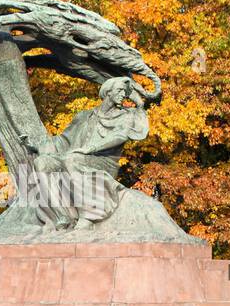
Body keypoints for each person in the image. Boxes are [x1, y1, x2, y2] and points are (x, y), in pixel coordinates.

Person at [18, 75, 149, 230]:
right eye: (120, 91)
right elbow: (63, 141)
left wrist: (91, 148)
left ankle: (87, 216)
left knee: (72, 160)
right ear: (108, 92)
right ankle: (62, 217)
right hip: (75, 156)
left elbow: (120, 135)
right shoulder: (84, 116)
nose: (123, 95)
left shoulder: (125, 116)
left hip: (103, 161)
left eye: (125, 93)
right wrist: (34, 146)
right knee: (42, 163)